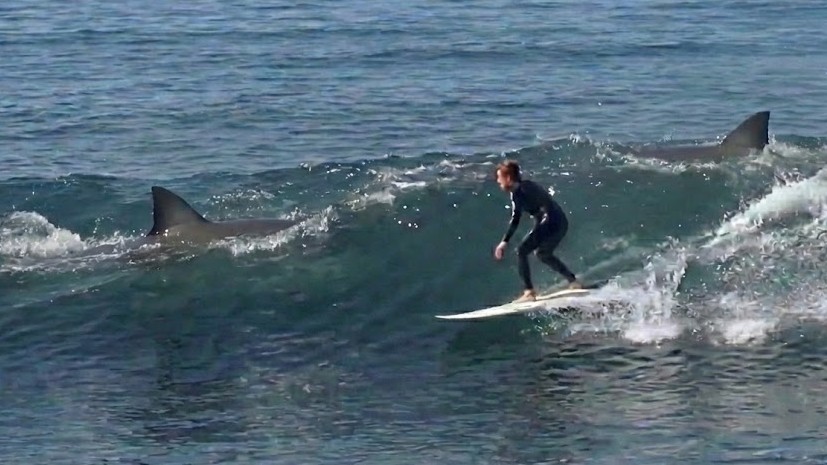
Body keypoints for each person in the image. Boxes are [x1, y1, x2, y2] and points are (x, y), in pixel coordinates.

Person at [493, 159, 582, 302]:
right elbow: (516, 218)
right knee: (542, 254)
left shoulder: (527, 187)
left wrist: (543, 222)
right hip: (550, 222)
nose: (498, 181)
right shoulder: (515, 194)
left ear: (508, 178)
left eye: (499, 177)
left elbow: (547, 203)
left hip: (555, 221)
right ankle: (573, 281)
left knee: (522, 251)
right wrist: (504, 242)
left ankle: (529, 292)